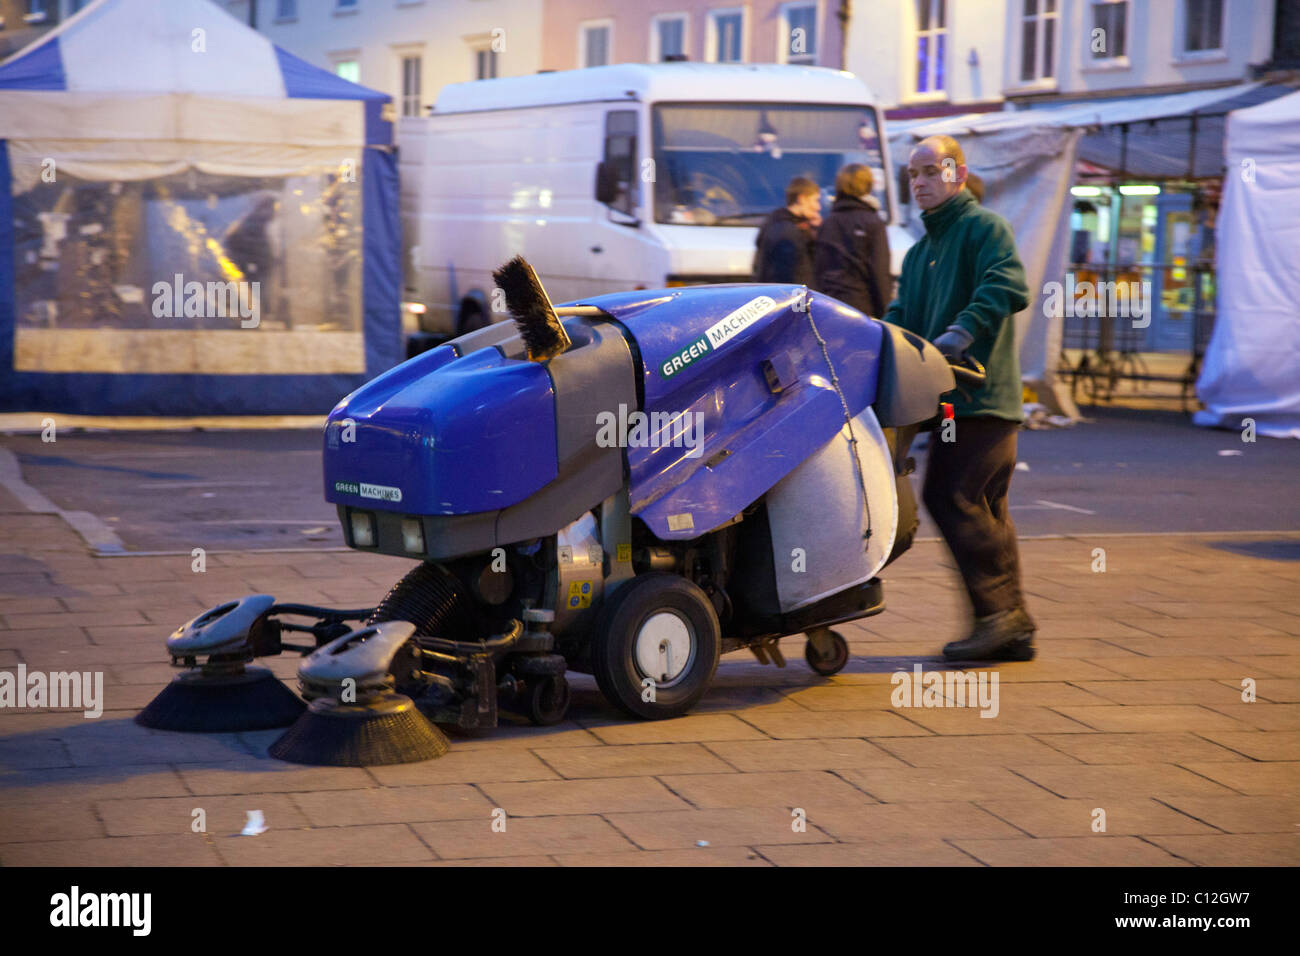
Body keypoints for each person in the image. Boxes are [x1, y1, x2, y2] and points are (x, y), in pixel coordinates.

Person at [882, 135, 1035, 661]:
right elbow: (901, 315)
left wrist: (961, 332)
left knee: (954, 496)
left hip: (982, 396)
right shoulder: (920, 251)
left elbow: (1007, 284)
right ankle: (1007, 624)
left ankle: (1003, 618)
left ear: (959, 174)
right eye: (913, 174)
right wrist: (870, 339)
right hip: (948, 404)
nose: (920, 181)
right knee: (979, 504)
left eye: (931, 170)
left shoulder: (984, 228)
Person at [812, 163, 891, 318]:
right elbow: (880, 273)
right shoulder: (873, 222)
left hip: (828, 308)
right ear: (868, 185)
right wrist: (886, 315)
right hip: (862, 309)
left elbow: (818, 270)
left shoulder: (827, 223)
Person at [753, 176, 821, 285]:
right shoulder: (786, 231)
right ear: (801, 199)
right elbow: (791, 275)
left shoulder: (777, 223)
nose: (818, 207)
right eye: (815, 200)